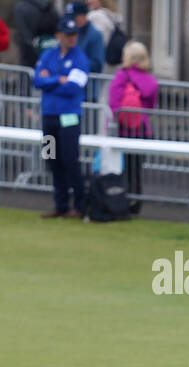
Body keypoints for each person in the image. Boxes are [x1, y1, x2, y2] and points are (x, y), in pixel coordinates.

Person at [33, 15, 89, 219]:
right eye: (68, 34)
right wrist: (59, 79)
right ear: (59, 35)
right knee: (51, 159)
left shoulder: (80, 58)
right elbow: (37, 81)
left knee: (70, 159)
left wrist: (52, 82)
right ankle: (61, 204)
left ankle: (81, 206)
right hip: (49, 116)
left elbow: (74, 87)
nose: (72, 38)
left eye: (74, 34)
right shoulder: (48, 55)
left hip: (69, 117)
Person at [107, 40, 157, 215]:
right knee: (135, 169)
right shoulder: (150, 80)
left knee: (119, 167)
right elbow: (150, 106)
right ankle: (135, 202)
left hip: (123, 128)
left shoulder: (123, 76)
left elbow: (113, 103)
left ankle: (119, 200)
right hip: (141, 127)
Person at [14, 0, 59, 68]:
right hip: (49, 48)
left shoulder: (20, 7)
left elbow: (23, 32)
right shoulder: (48, 5)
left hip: (29, 52)